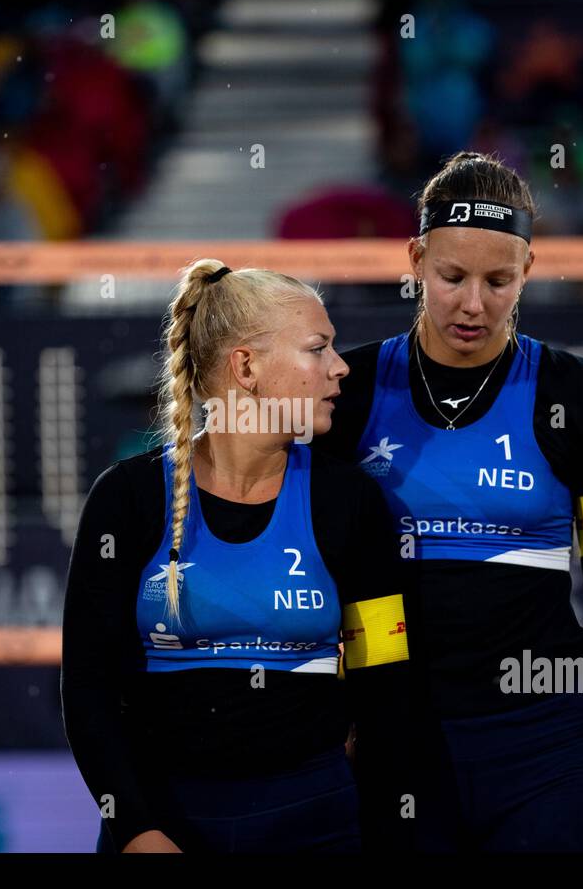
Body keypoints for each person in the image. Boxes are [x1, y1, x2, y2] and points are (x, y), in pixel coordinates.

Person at [313, 152, 583, 852]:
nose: (473, 304)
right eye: (451, 277)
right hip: (398, 746)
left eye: (499, 280)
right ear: (416, 259)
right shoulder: (347, 391)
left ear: (529, 273)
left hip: (541, 748)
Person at [62, 259, 412, 853]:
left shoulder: (349, 500)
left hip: (315, 819)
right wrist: (138, 831)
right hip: (162, 820)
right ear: (246, 367)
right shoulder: (126, 499)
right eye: (317, 349)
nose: (341, 367)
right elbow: (88, 689)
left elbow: (386, 678)